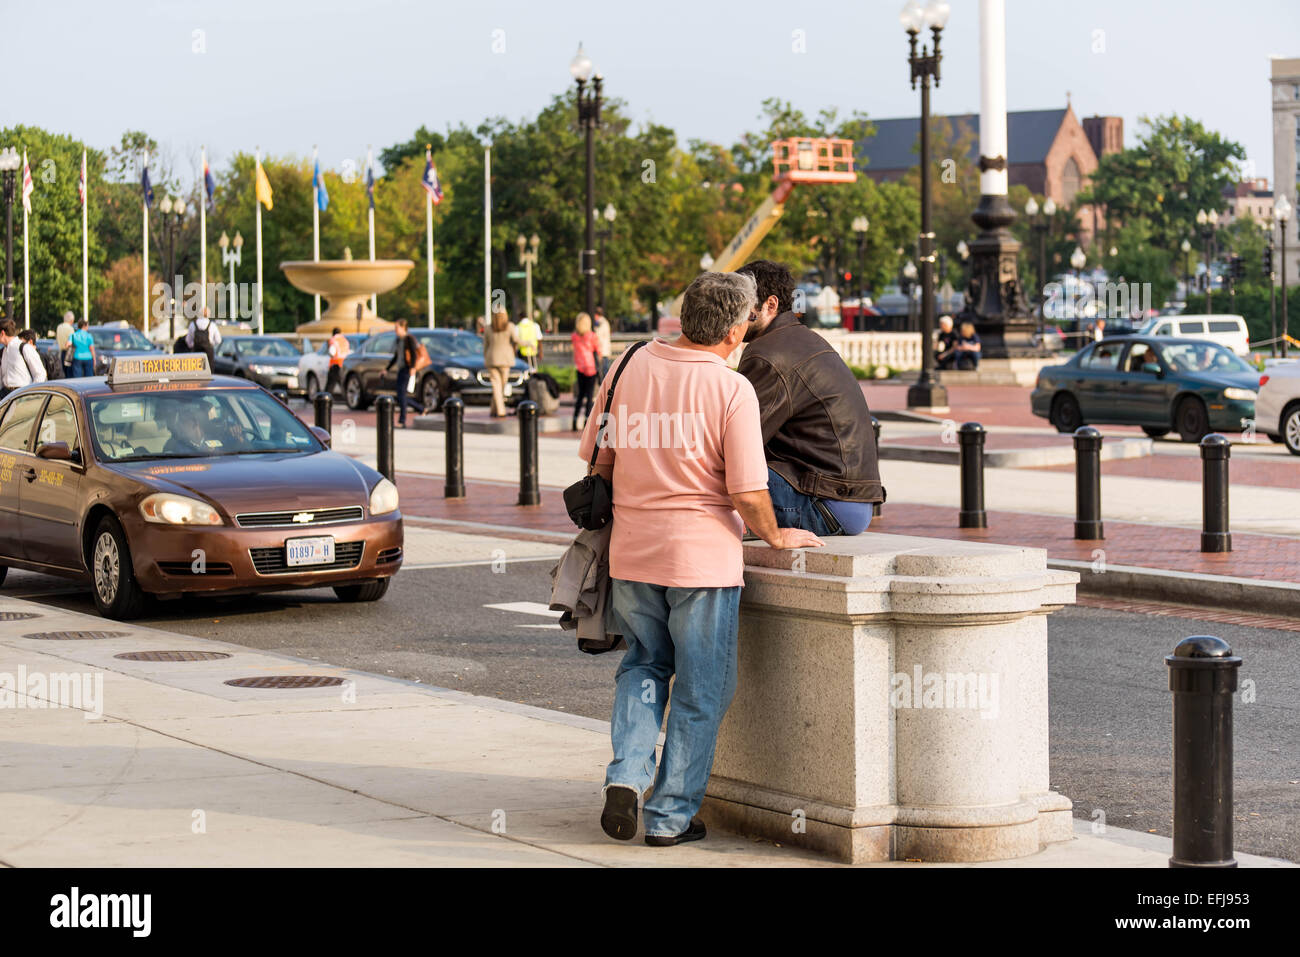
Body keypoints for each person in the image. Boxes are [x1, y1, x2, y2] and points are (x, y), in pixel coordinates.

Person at [580, 270, 823, 847]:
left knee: (642, 666)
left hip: (634, 554)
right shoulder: (729, 389)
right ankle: (668, 817)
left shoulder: (627, 365)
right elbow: (746, 489)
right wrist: (777, 535)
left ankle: (626, 776)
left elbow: (599, 456)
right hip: (702, 563)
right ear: (738, 327)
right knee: (701, 688)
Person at [734, 260, 884, 538]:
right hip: (850, 500)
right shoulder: (803, 339)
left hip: (824, 504)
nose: (734, 313)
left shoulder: (767, 354)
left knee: (707, 477)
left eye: (741, 304)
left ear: (770, 304)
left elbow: (737, 443)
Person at [482, 309, 519, 418]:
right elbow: (516, 340)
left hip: (492, 358)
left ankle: (494, 409)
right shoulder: (510, 326)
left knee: (497, 387)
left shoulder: (489, 328)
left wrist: (485, 357)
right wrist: (529, 344)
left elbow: (485, 346)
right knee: (500, 386)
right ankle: (501, 411)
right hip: (505, 360)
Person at [385, 319, 418, 427]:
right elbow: (396, 357)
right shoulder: (399, 340)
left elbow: (414, 354)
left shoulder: (409, 339)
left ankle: (402, 421)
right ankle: (421, 409)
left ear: (403, 328)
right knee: (401, 395)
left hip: (407, 369)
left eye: (397, 327)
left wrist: (413, 367)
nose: (395, 330)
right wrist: (387, 369)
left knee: (401, 394)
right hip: (401, 369)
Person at [570, 313, 599, 431]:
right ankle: (587, 422)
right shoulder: (592, 336)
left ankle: (575, 419)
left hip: (580, 368)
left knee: (580, 396)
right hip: (591, 368)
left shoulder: (574, 337)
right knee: (590, 396)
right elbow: (599, 350)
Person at [325, 327, 350, 395]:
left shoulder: (333, 340)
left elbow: (332, 352)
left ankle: (326, 398)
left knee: (330, 384)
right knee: (343, 383)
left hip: (335, 364)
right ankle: (347, 397)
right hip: (344, 364)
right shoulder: (345, 340)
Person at [593, 307, 613, 378]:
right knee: (604, 370)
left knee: (604, 371)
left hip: (602, 351)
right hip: (603, 350)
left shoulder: (601, 323)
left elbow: (598, 336)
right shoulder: (604, 322)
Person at [55, 311, 75, 377]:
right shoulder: (70, 329)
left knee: (63, 373)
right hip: (69, 353)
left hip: (61, 353)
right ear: (71, 320)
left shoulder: (59, 327)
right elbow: (71, 341)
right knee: (69, 374)